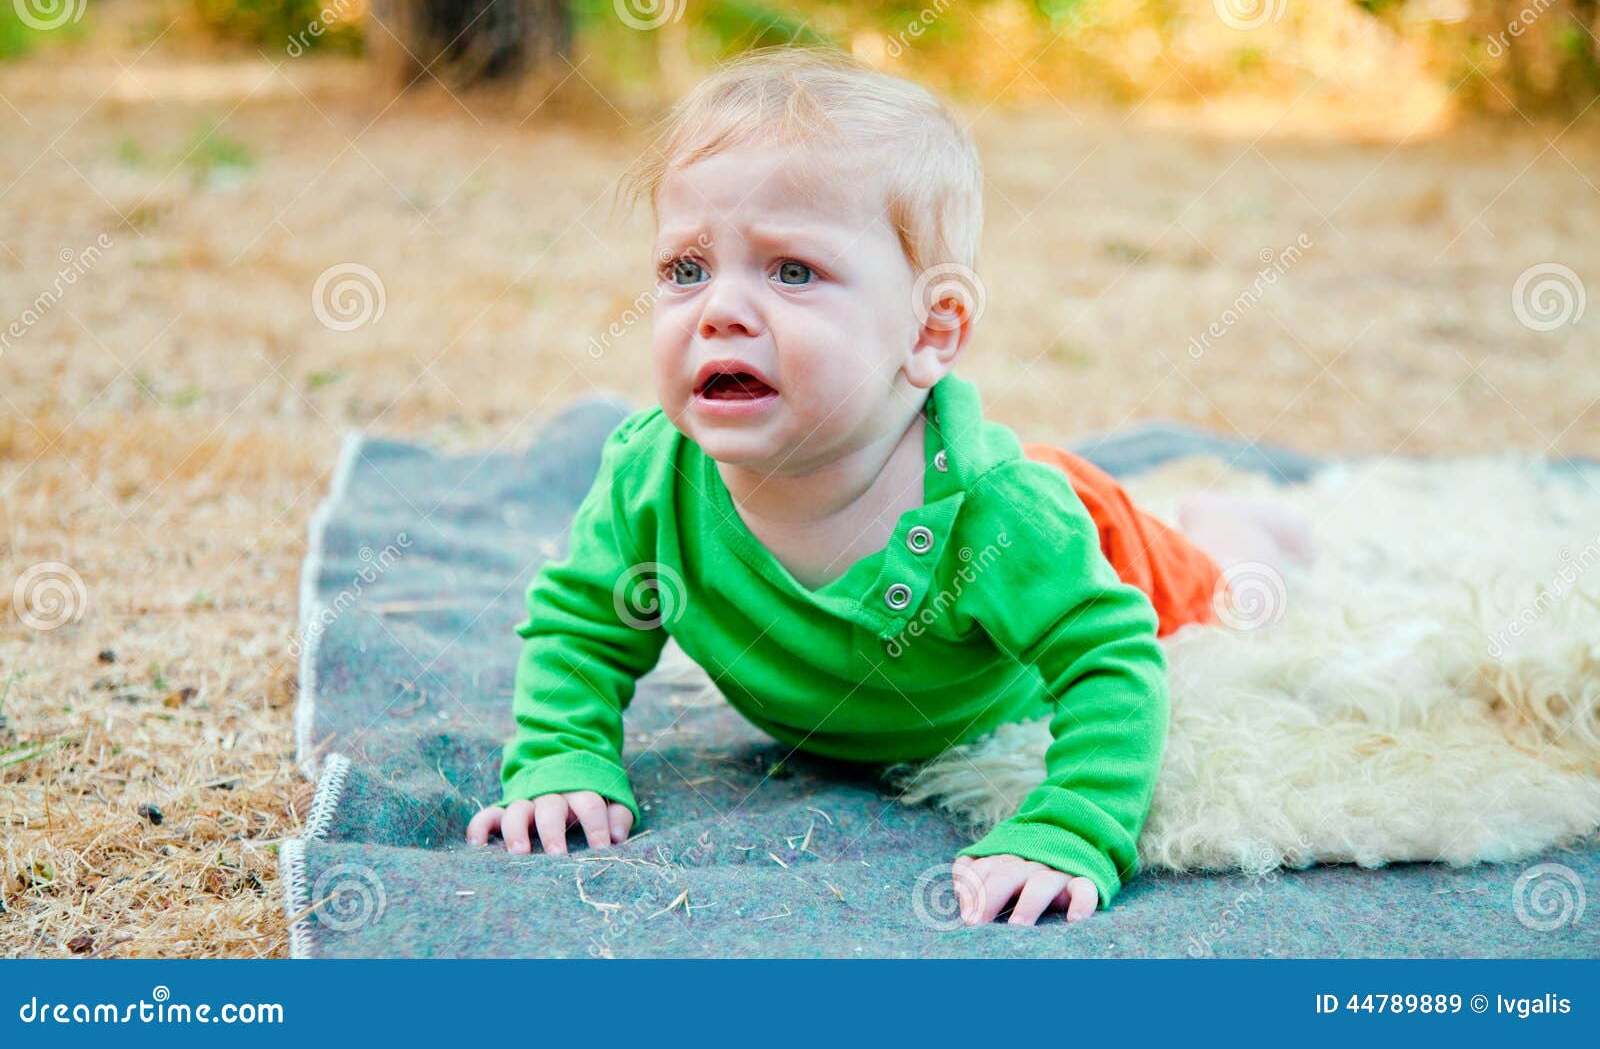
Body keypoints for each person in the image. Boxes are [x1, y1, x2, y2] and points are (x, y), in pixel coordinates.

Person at [466, 46, 1309, 926]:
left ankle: (1236, 528)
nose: (718, 308)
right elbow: (581, 625)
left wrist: (1073, 826)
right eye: (686, 269)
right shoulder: (651, 477)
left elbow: (1113, 664)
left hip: (1093, 530)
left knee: (1237, 611)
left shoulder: (1001, 519)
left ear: (932, 331)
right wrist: (560, 757)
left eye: (792, 271)